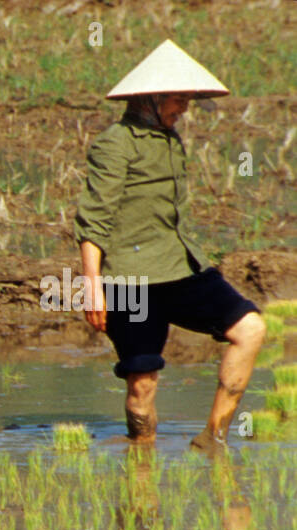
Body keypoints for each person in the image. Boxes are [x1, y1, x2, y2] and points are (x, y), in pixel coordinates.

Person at [75, 39, 266, 451]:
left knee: (250, 328)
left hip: (181, 268)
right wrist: (92, 286)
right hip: (131, 278)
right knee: (142, 382)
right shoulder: (115, 143)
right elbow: (94, 220)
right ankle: (140, 460)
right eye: (178, 99)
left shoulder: (171, 140)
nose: (185, 108)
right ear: (151, 97)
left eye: (187, 99)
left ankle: (212, 439)